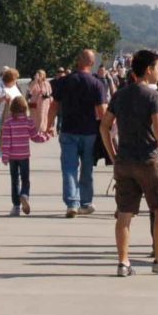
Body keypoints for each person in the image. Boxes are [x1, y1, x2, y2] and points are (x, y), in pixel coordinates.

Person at [100, 49, 158, 275]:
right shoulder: (154, 97)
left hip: (124, 160)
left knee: (124, 212)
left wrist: (113, 155)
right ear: (148, 70)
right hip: (148, 159)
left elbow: (104, 126)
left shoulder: (120, 95)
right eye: (157, 68)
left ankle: (123, 262)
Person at [47, 49, 107, 217]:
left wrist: (48, 125)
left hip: (68, 130)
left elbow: (54, 106)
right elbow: (102, 112)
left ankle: (72, 203)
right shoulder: (97, 84)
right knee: (87, 168)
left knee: (69, 167)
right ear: (92, 63)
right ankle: (85, 202)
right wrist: (108, 130)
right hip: (89, 132)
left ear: (78, 61)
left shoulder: (64, 81)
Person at [0, 95, 36, 215]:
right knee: (25, 179)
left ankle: (16, 206)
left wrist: (5, 155)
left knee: (14, 180)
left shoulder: (8, 122)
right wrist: (46, 136)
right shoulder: (28, 121)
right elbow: (35, 136)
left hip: (12, 156)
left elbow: (6, 140)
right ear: (25, 108)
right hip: (24, 155)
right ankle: (24, 195)